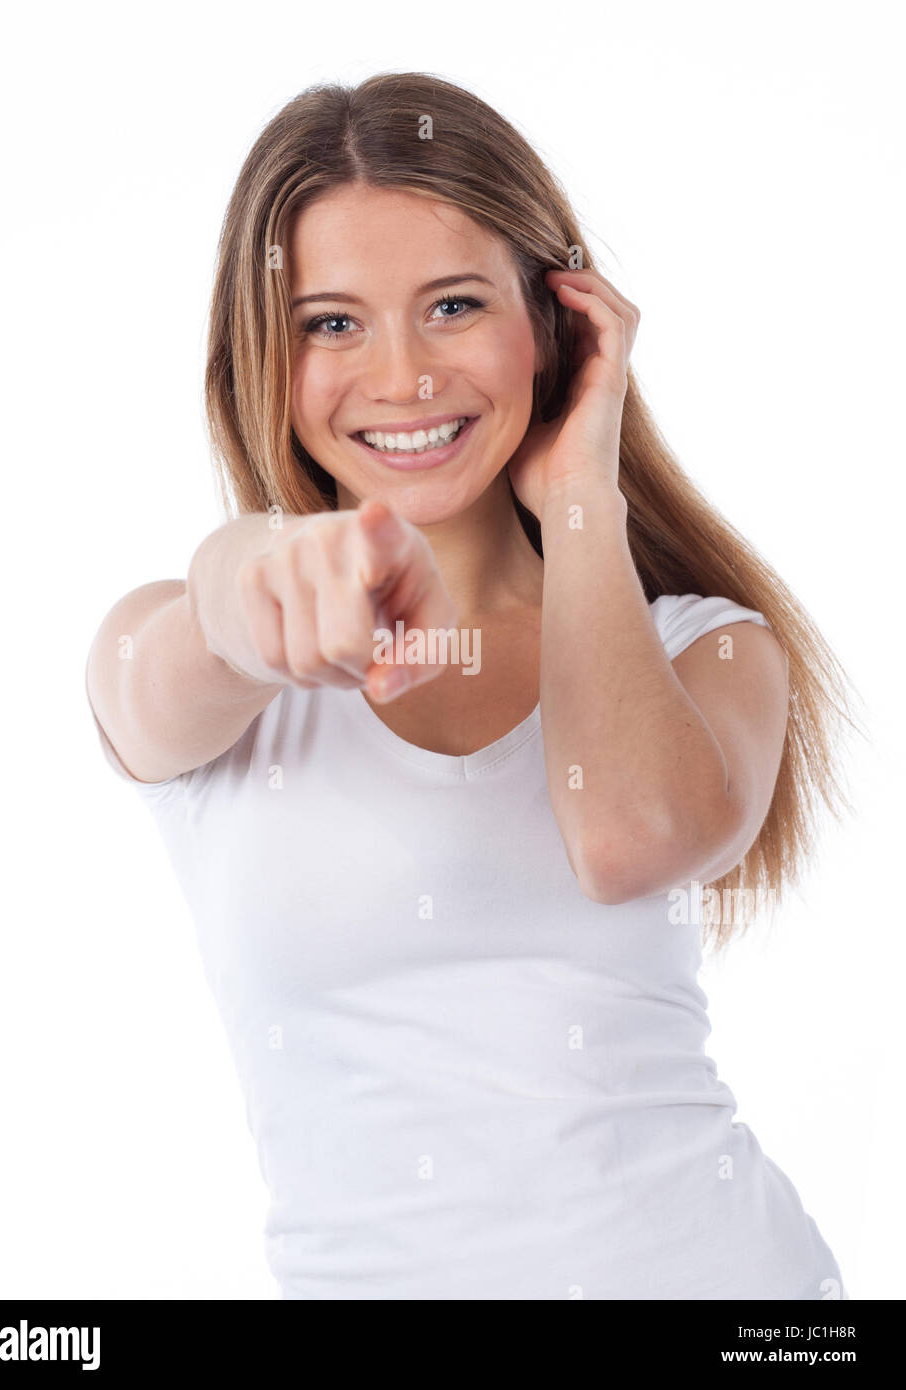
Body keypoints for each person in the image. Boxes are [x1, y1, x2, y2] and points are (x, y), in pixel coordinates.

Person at [85, 72, 858, 1300]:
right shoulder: (192, 655)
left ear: (555, 323)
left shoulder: (708, 648)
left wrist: (581, 495)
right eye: (332, 323)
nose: (400, 376)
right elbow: (177, 660)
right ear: (264, 352)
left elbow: (630, 836)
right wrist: (250, 575)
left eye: (452, 305)